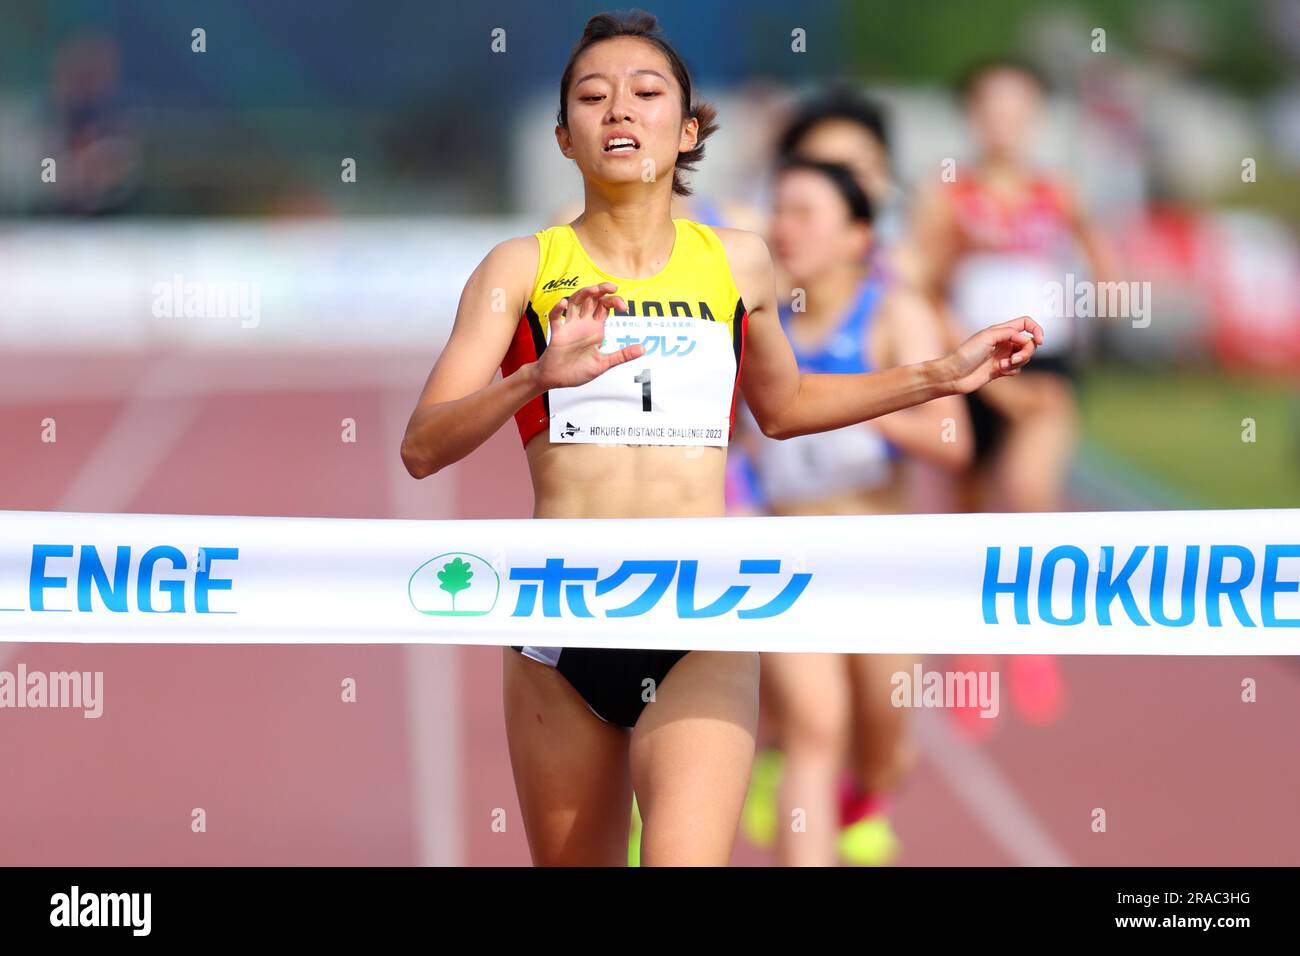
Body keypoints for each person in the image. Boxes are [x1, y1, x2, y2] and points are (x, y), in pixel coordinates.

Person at [400, 11, 1043, 866]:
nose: (619, 111)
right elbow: (421, 446)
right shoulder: (518, 269)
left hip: (700, 613)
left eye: (647, 93)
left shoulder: (737, 262)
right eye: (593, 97)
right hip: (559, 618)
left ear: (690, 127)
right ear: (564, 136)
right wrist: (531, 379)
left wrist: (937, 375)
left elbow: (784, 406)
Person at [737, 157, 973, 866]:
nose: (785, 228)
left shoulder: (894, 313)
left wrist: (858, 408)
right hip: (784, 560)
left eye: (806, 214)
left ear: (857, 237)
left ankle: (862, 797)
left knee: (882, 752)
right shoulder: (752, 312)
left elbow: (952, 441)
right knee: (815, 728)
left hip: (880, 569)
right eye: (778, 211)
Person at [912, 57, 1115, 733]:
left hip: (1047, 360)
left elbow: (1109, 274)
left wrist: (1096, 299)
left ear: (1033, 116)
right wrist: (961, 257)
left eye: (1017, 107)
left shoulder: (1060, 192)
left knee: (1030, 493)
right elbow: (920, 285)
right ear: (972, 114)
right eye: (990, 107)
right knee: (970, 518)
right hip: (973, 366)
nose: (1003, 121)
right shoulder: (948, 195)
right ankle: (974, 653)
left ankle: (1031, 632)